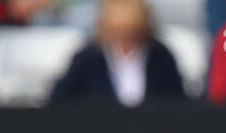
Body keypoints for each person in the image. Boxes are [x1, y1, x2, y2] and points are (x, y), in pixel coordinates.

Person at [51, 0, 184, 105]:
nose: (124, 39)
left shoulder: (161, 57)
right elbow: (60, 101)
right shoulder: (87, 59)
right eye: (118, 32)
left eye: (130, 32)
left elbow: (177, 102)